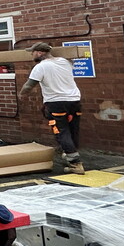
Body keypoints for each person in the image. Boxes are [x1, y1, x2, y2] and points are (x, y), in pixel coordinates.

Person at [19, 42, 84, 174]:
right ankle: (70, 153)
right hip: (74, 100)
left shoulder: (41, 67)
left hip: (56, 103)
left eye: (33, 52)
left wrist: (21, 94)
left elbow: (29, 86)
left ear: (39, 53)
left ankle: (75, 164)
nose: (32, 55)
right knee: (73, 129)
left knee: (61, 131)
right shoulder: (65, 62)